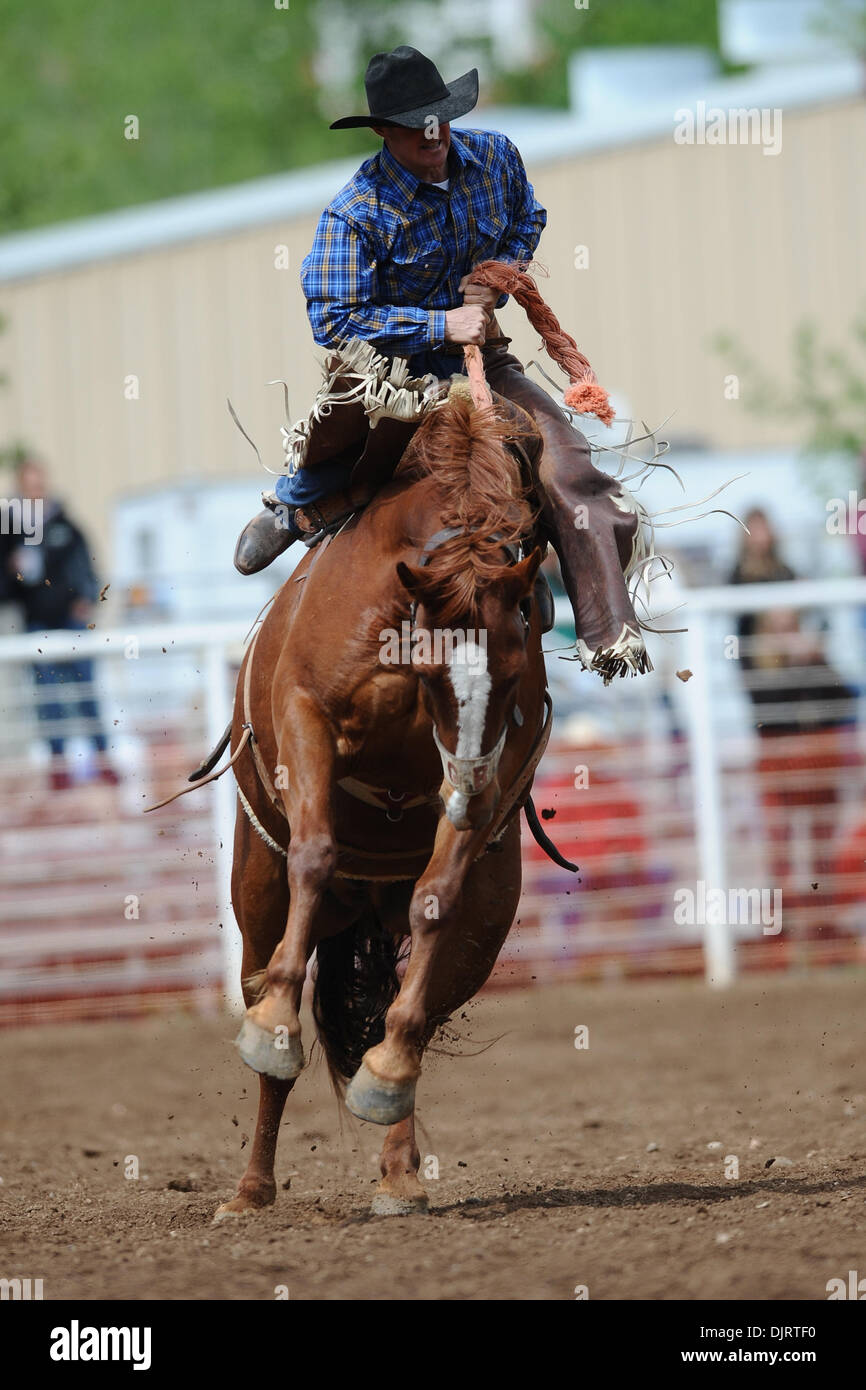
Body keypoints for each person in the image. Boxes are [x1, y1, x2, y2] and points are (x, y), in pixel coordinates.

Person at [234, 46, 648, 683]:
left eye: (441, 120)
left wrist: (497, 279)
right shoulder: (356, 213)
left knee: (566, 458)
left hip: (483, 363)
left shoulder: (495, 157)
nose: (435, 137)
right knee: (349, 456)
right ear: (383, 133)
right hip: (390, 375)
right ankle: (295, 504)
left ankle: (608, 630)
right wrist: (438, 324)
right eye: (416, 127)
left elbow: (527, 219)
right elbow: (335, 320)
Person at [728, 508, 856, 928]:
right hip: (779, 751)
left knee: (820, 838)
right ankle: (781, 922)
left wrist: (812, 653)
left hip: (818, 754)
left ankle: (825, 919)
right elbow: (759, 696)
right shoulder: (757, 661)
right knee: (780, 838)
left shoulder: (815, 664)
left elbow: (846, 698)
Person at [0, 457, 117, 790]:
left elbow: (89, 568)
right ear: (21, 490)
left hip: (72, 623)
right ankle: (58, 768)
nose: (36, 493)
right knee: (48, 699)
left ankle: (103, 760)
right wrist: (11, 572)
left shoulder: (67, 524)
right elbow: (5, 589)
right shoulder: (10, 531)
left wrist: (87, 599)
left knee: (86, 693)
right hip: (36, 625)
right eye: (29, 487)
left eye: (39, 486)